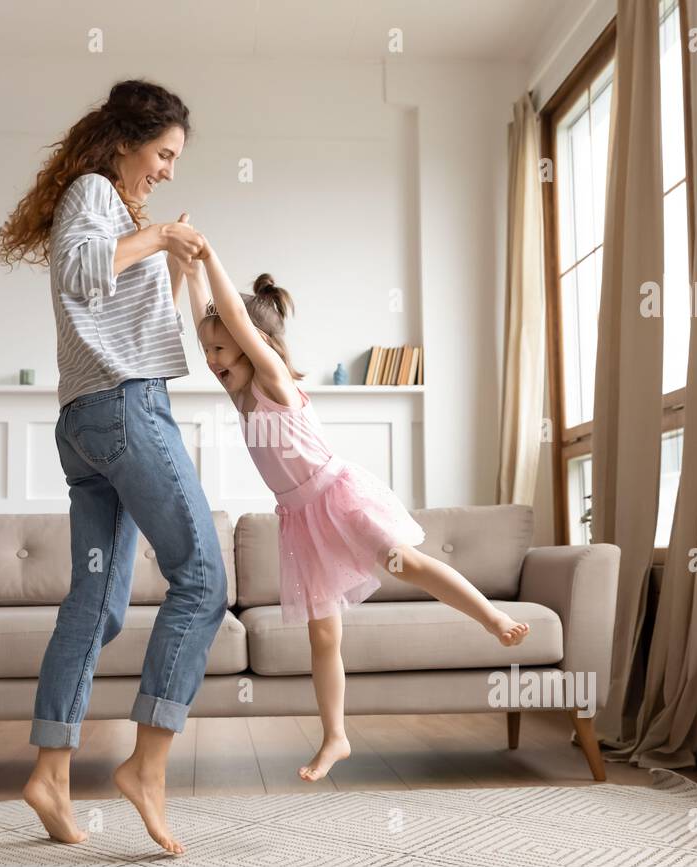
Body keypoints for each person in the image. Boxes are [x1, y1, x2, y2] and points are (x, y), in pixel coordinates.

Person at [183, 245, 530, 782]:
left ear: (259, 346)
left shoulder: (274, 381)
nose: (212, 360)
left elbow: (230, 317)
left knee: (404, 563)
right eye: (208, 352)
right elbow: (209, 317)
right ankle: (336, 736)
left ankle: (492, 616)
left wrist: (208, 257)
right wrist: (185, 271)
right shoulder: (241, 397)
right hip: (301, 522)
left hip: (336, 499)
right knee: (324, 637)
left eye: (222, 349)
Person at [0, 79, 225, 855]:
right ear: (127, 140)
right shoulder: (95, 191)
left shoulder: (111, 208)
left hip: (87, 424)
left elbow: (124, 297)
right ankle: (148, 768)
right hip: (124, 412)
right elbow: (82, 275)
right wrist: (160, 239)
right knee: (203, 578)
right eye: (163, 154)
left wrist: (174, 251)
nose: (165, 169)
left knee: (97, 605)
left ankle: (50, 775)